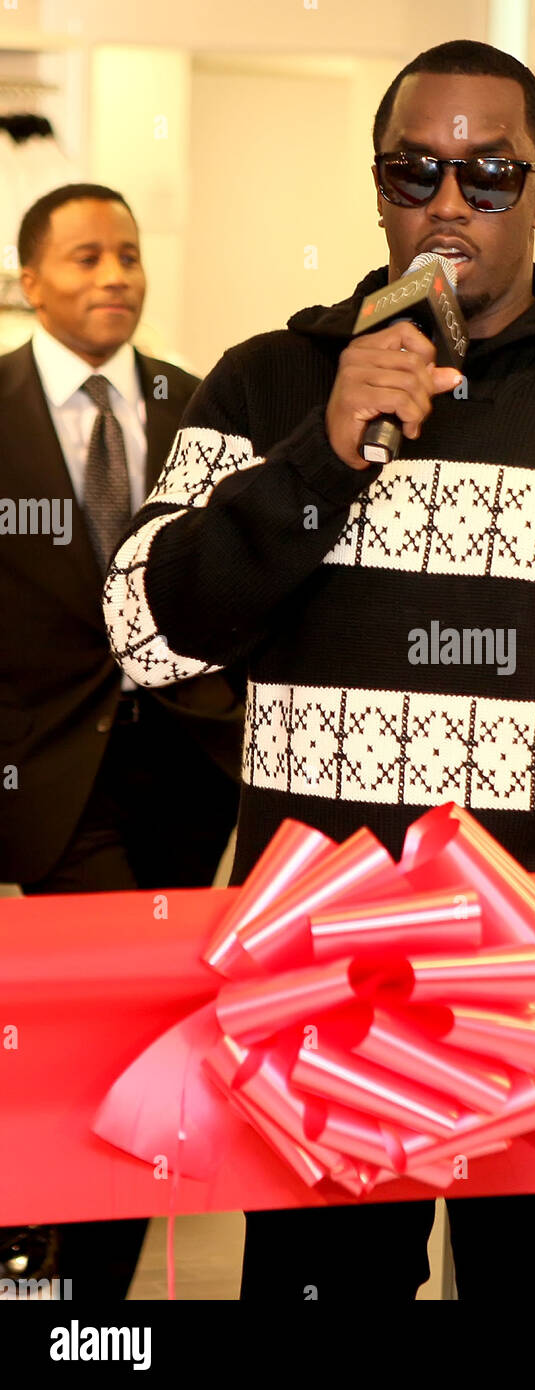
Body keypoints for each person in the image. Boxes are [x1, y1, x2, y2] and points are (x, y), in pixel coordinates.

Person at [103, 42, 535, 1301]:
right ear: (377, 189)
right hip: (320, 976)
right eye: (416, 171)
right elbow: (146, 628)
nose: (448, 202)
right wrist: (319, 455)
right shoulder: (268, 382)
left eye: (487, 172)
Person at [0, 184, 244, 1298]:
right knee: (94, 1029)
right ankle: (46, 1255)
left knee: (156, 1033)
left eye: (130, 256)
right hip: (48, 775)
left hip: (186, 771)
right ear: (29, 279)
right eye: (87, 257)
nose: (115, 276)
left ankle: (86, 1280)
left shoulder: (193, 404)